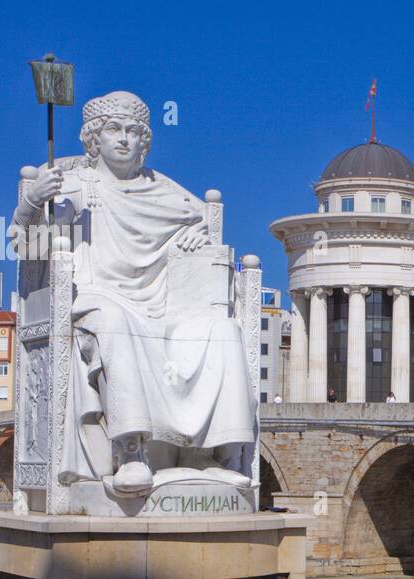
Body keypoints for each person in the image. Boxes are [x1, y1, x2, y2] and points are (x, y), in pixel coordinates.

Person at [13, 90, 253, 496]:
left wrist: (199, 234)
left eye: (133, 131)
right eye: (113, 130)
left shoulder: (163, 190)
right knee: (116, 323)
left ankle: (206, 453)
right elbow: (28, 249)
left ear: (145, 142)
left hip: (163, 304)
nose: (124, 138)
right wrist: (31, 203)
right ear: (93, 139)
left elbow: (204, 220)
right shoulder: (71, 187)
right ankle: (130, 451)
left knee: (222, 330)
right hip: (93, 297)